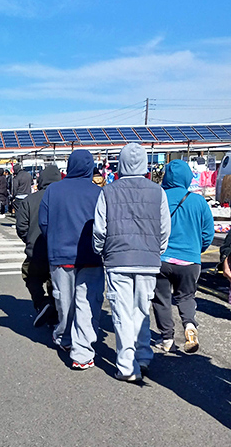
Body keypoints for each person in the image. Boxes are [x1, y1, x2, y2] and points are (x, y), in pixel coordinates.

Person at [93, 143, 170, 382]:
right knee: (141, 310)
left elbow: (99, 229)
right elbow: (164, 228)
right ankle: (143, 355)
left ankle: (127, 366)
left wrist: (101, 252)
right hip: (148, 259)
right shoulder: (158, 191)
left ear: (121, 163)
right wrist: (157, 251)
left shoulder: (108, 191)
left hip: (118, 260)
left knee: (122, 313)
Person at [39, 151, 104, 369]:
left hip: (60, 256)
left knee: (64, 303)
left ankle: (64, 337)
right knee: (87, 305)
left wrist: (55, 241)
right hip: (91, 257)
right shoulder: (98, 193)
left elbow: (44, 223)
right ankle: (82, 353)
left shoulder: (53, 190)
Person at [152, 159, 214, 354]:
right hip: (190, 260)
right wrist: (197, 250)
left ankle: (167, 338)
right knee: (186, 296)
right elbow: (208, 233)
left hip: (162, 258)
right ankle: (189, 325)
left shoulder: (157, 198)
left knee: (161, 299)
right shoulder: (198, 201)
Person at [16, 165, 63, 325]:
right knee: (55, 282)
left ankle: (41, 303)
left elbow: (21, 226)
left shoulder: (30, 200)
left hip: (36, 250)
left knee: (31, 277)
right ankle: (55, 311)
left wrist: (29, 239)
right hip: (59, 251)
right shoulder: (63, 198)